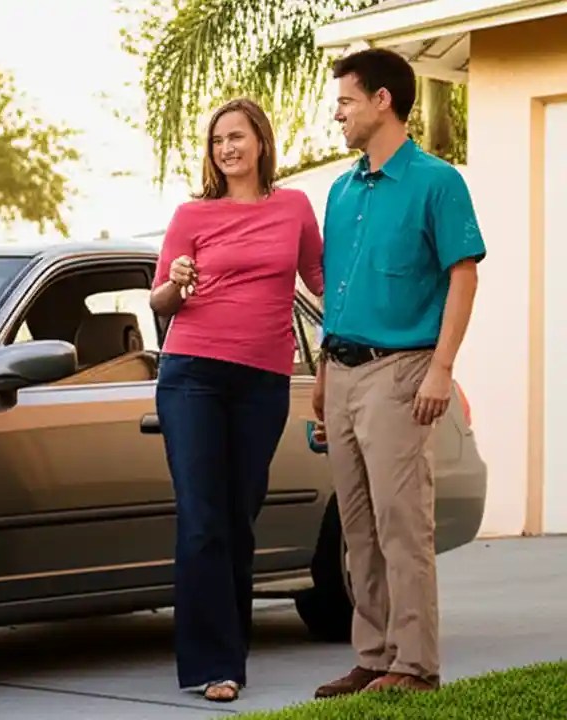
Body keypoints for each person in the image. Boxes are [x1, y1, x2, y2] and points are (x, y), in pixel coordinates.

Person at [312, 48, 485, 698]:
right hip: (345, 372)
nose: (338, 114)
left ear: (383, 100)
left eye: (346, 101)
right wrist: (327, 376)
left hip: (402, 372)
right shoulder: (340, 189)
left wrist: (442, 368)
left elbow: (463, 275)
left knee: (401, 523)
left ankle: (415, 666)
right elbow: (339, 292)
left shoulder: (437, 183)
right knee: (357, 526)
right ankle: (374, 654)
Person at [150, 97, 324, 703]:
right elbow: (159, 303)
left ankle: (230, 648)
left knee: (237, 516)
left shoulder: (294, 207)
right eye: (218, 139)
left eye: (237, 137)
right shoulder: (192, 215)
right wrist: (177, 280)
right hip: (192, 373)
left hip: (262, 380)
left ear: (260, 142)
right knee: (201, 518)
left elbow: (321, 280)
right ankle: (215, 665)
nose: (227, 148)